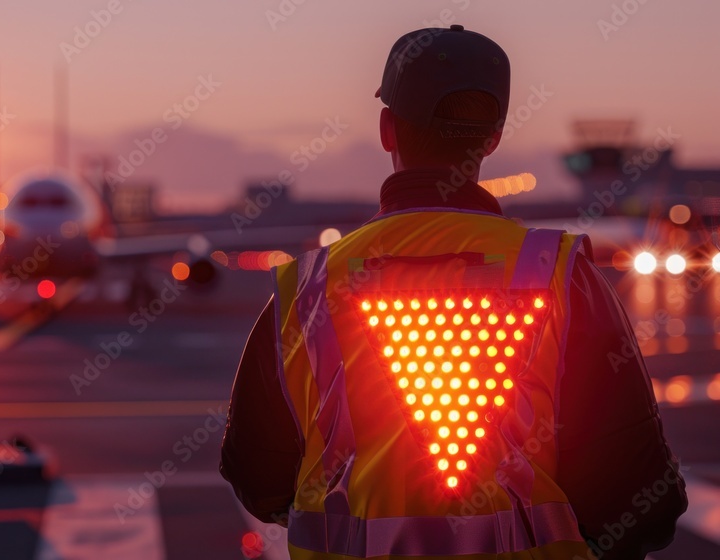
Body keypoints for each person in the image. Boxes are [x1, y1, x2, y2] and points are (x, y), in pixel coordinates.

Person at [220, 25, 686, 559]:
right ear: (492, 138)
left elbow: (257, 478)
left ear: (386, 129)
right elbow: (640, 502)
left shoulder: (306, 288)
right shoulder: (559, 275)